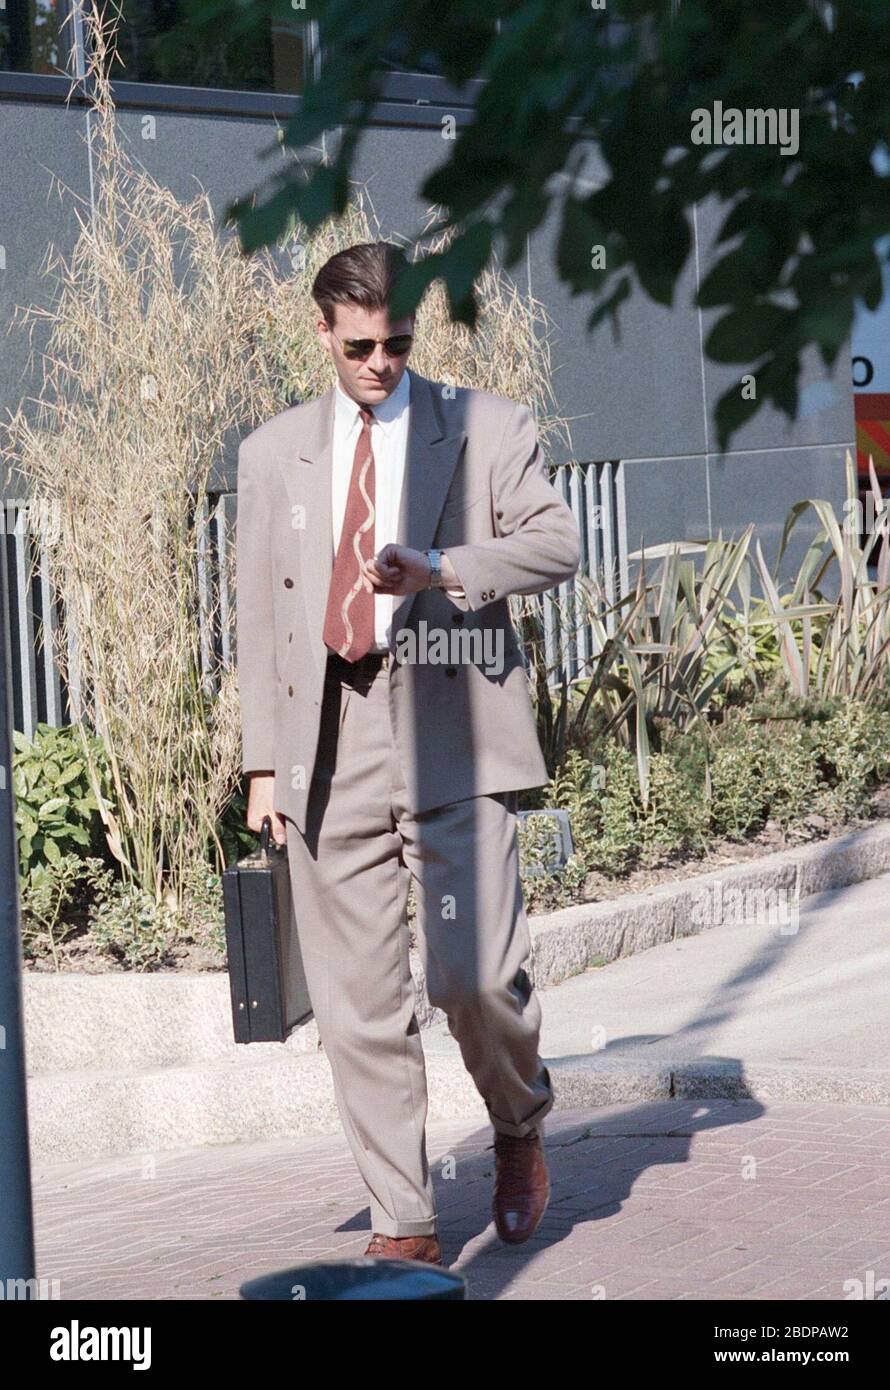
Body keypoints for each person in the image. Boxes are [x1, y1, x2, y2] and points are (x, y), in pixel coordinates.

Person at [235, 240, 581, 1266]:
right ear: (321, 331)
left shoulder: (484, 427)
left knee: (473, 979)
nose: (379, 364)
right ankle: (407, 1223)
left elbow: (555, 544)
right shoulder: (271, 453)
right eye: (358, 348)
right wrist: (263, 762)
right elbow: (258, 611)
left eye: (396, 344)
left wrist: (438, 567)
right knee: (357, 1007)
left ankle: (517, 1125)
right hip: (326, 739)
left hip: (446, 727)